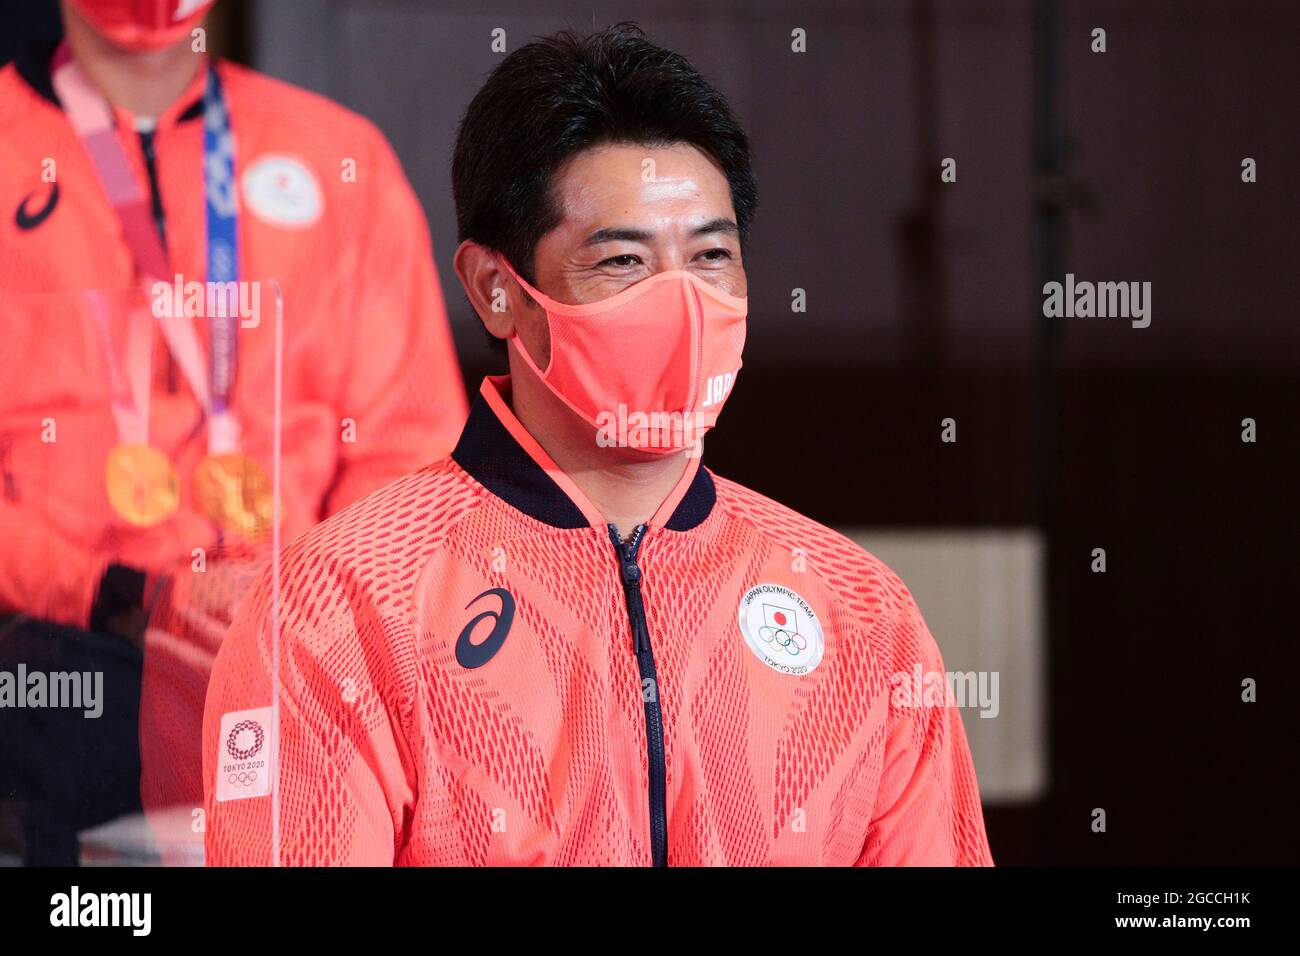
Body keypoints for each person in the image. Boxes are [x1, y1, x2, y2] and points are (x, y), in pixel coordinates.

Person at [202, 23, 993, 866]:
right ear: (496, 290)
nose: (682, 303)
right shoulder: (339, 607)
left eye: (713, 255)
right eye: (621, 261)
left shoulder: (862, 611)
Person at [0, 0, 468, 864]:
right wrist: (122, 595)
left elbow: (410, 454)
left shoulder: (339, 158)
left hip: (309, 643)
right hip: (75, 641)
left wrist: (312, 609)